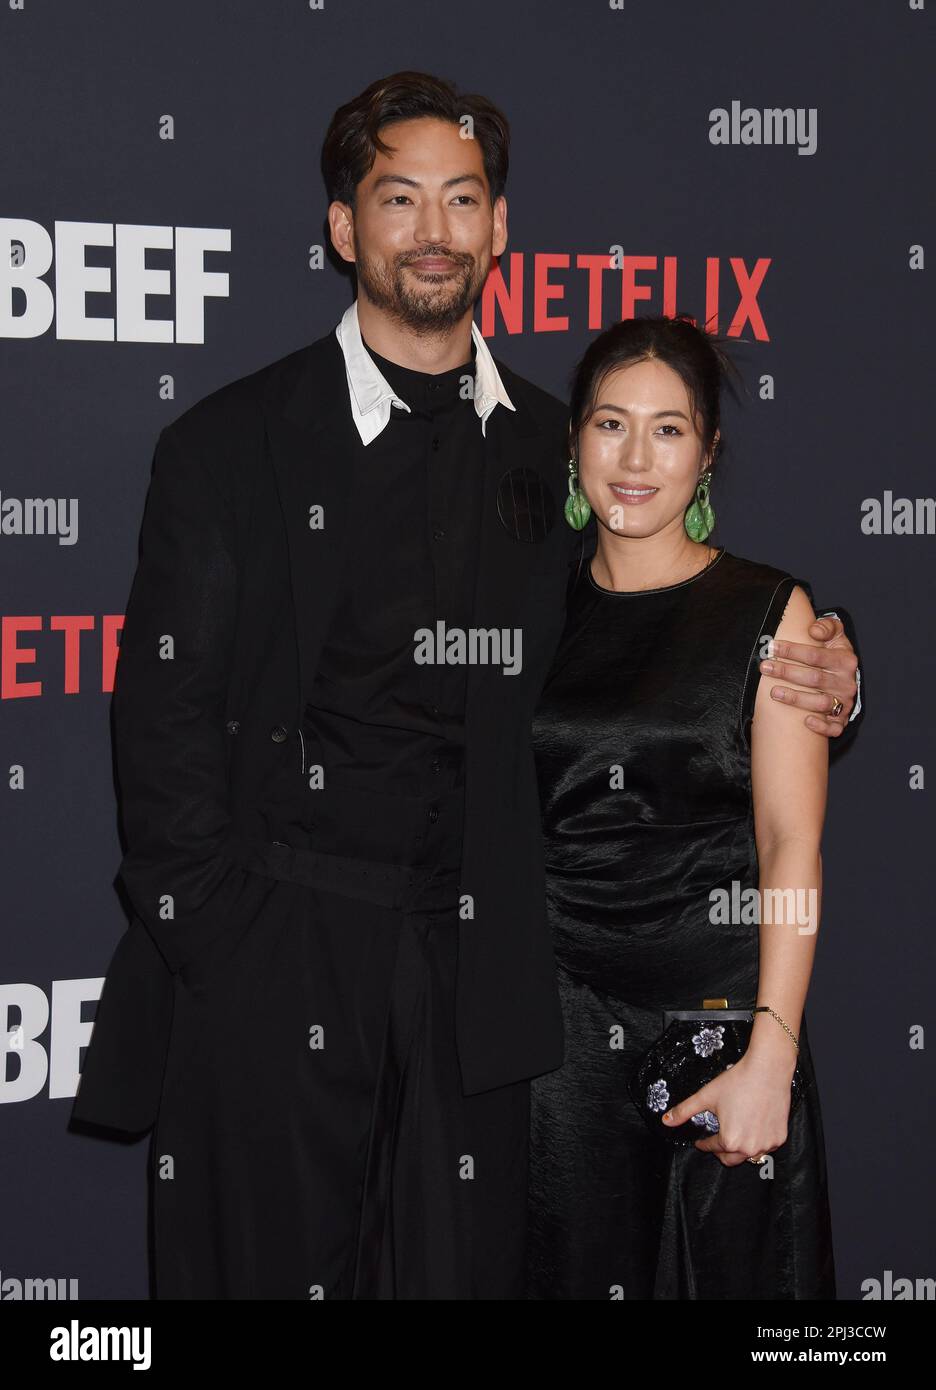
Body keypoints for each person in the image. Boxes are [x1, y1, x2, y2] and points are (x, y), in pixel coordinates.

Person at [69, 72, 860, 1301]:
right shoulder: (227, 447)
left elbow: (665, 629)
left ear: (499, 229)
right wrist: (225, 948)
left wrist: (823, 670)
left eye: (463, 198)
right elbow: (160, 721)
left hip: (486, 993)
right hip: (273, 962)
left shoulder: (560, 452)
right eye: (399, 198)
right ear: (345, 229)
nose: (433, 230)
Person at [526, 315, 841, 1299]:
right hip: (558, 1042)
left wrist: (772, 1047)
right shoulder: (530, 610)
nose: (634, 457)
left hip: (720, 1024)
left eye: (668, 430)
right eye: (610, 424)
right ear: (574, 438)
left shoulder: (768, 614)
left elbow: (792, 846)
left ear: (707, 452)